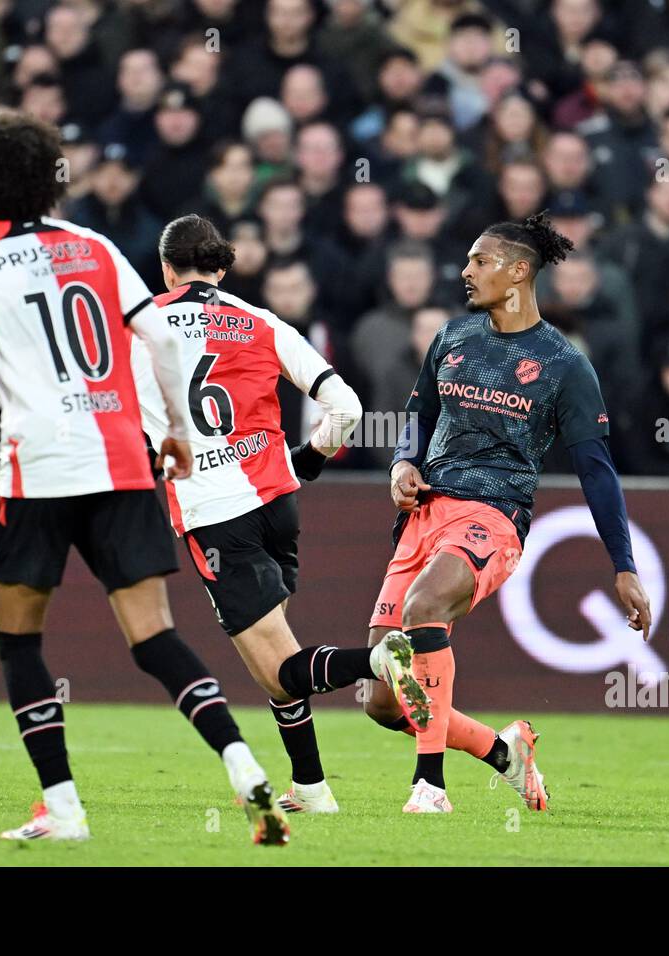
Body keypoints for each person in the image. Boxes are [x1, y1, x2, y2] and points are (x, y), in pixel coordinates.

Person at [0, 107, 289, 846]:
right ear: (46, 177)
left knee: (19, 644)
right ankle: (244, 764)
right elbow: (155, 333)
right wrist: (176, 436)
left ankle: (63, 810)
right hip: (122, 463)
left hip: (38, 470)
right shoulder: (94, 245)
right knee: (155, 638)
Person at [130, 213, 425, 814]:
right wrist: (309, 461)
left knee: (281, 666)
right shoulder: (262, 322)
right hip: (276, 501)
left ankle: (378, 661)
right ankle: (312, 787)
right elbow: (346, 406)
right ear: (221, 266)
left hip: (213, 512)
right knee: (274, 665)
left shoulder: (138, 328)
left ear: (165, 269)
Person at [364, 211, 653, 813]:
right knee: (381, 697)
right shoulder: (452, 337)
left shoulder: (564, 364)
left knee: (422, 611)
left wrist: (622, 564)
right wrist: (401, 463)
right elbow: (417, 413)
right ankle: (504, 753)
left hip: (492, 517)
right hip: (424, 513)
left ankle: (430, 786)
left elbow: (595, 469)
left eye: (480, 261)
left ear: (520, 272)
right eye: (468, 261)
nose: (466, 272)